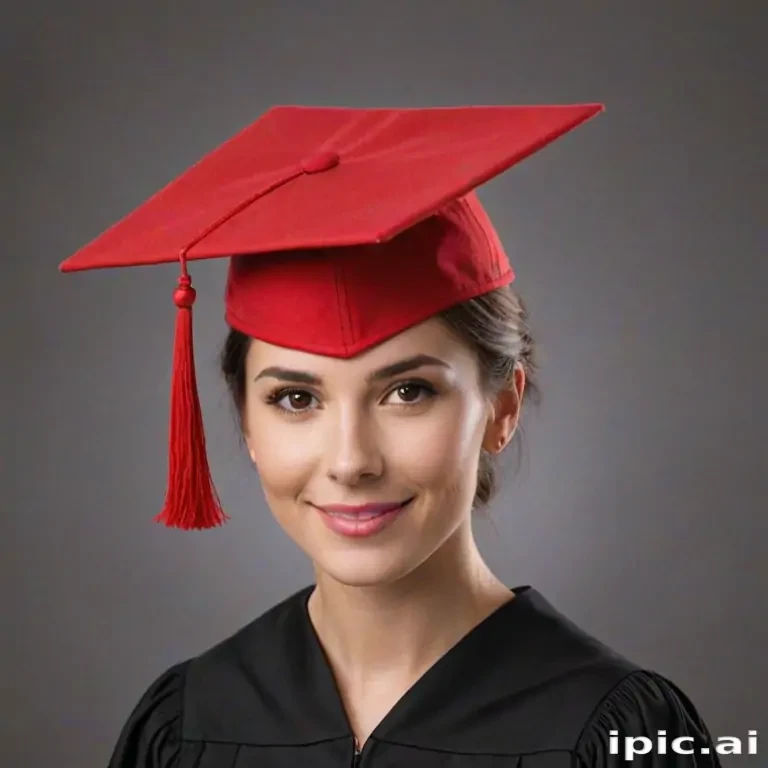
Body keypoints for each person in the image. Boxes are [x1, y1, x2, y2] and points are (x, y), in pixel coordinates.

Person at [61, 104, 721, 767]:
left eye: (409, 392)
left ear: (502, 408)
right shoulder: (185, 726)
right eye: (296, 399)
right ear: (246, 421)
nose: (351, 461)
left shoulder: (619, 733)